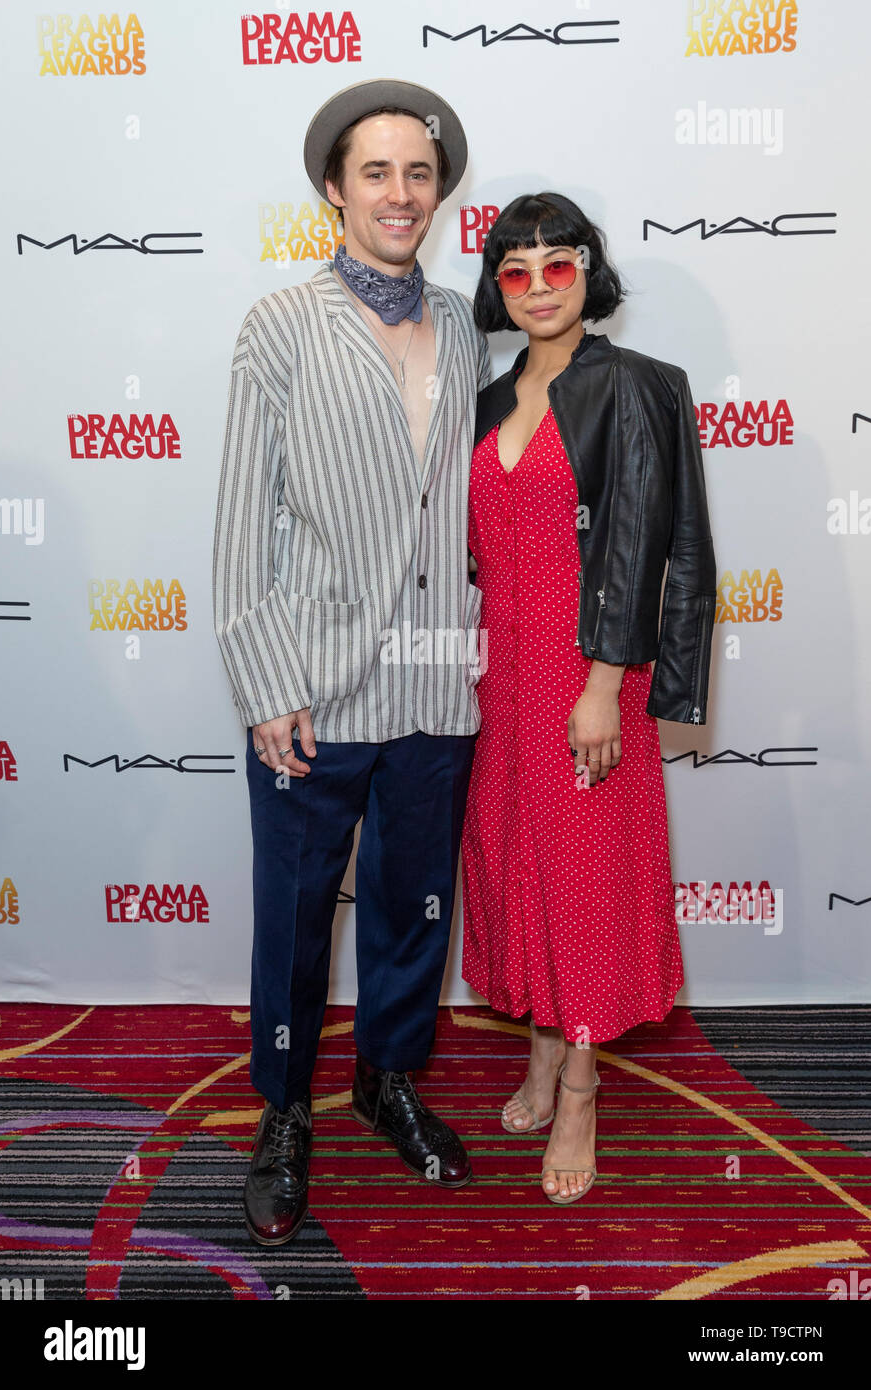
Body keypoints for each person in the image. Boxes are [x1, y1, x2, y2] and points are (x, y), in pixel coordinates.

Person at [212, 79, 491, 1245]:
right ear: (334, 189)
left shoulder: (472, 321)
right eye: (374, 172)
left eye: (417, 174)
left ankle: (389, 1077)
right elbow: (241, 520)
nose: (399, 193)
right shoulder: (280, 323)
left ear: (439, 193)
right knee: (292, 914)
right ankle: (285, 1110)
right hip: (314, 686)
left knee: (413, 907)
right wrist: (263, 680)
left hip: (435, 680)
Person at [461, 192, 716, 1205]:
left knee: (583, 884)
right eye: (514, 272)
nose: (535, 289)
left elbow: (637, 544)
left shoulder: (639, 387)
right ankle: (536, 1050)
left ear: (587, 273)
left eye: (555, 267)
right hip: (501, 674)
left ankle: (579, 1088)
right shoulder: (487, 401)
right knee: (520, 867)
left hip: (587, 674)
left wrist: (605, 685)